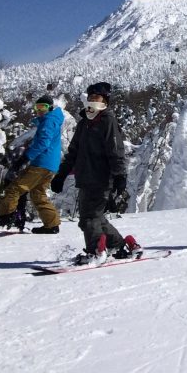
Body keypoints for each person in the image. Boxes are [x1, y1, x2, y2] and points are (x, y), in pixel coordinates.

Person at [51, 83, 140, 263]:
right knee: (96, 218)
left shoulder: (107, 121)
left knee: (89, 219)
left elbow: (115, 151)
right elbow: (73, 152)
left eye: (97, 98)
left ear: (105, 101)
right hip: (85, 179)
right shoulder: (84, 123)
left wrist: (119, 176)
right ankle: (118, 245)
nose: (92, 101)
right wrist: (61, 174)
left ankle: (96, 252)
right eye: (90, 97)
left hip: (101, 179)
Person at [0, 94, 65, 233]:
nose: (40, 110)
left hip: (41, 163)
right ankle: (52, 224)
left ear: (50, 108)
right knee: (37, 193)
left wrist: (26, 157)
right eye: (37, 107)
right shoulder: (51, 120)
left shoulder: (49, 120)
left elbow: (43, 143)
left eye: (43, 107)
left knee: (15, 188)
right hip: (50, 165)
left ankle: (6, 216)